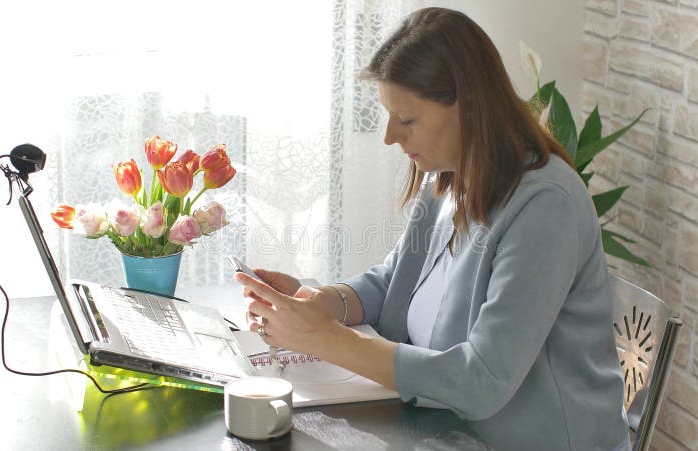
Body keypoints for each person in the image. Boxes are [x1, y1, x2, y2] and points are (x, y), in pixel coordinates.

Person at [234, 7, 630, 451]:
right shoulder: (449, 178)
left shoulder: (545, 207)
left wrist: (325, 340)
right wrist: (324, 304)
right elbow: (394, 282)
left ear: (470, 107)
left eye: (407, 120)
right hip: (439, 430)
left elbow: (482, 381)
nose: (389, 137)